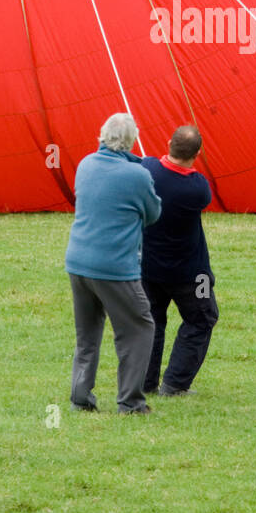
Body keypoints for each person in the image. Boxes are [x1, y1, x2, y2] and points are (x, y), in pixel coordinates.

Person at [65, 112, 161, 415]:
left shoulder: (85, 165)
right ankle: (131, 402)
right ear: (133, 142)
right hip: (115, 268)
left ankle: (81, 396)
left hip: (78, 263)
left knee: (87, 335)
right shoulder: (138, 175)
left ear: (101, 135)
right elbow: (153, 213)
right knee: (138, 328)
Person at [140, 125, 218, 397]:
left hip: (149, 270)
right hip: (193, 275)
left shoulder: (148, 170)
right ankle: (174, 385)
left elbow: (144, 163)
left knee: (151, 321)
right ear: (198, 153)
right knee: (204, 317)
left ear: (169, 142)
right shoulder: (198, 188)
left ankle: (145, 383)